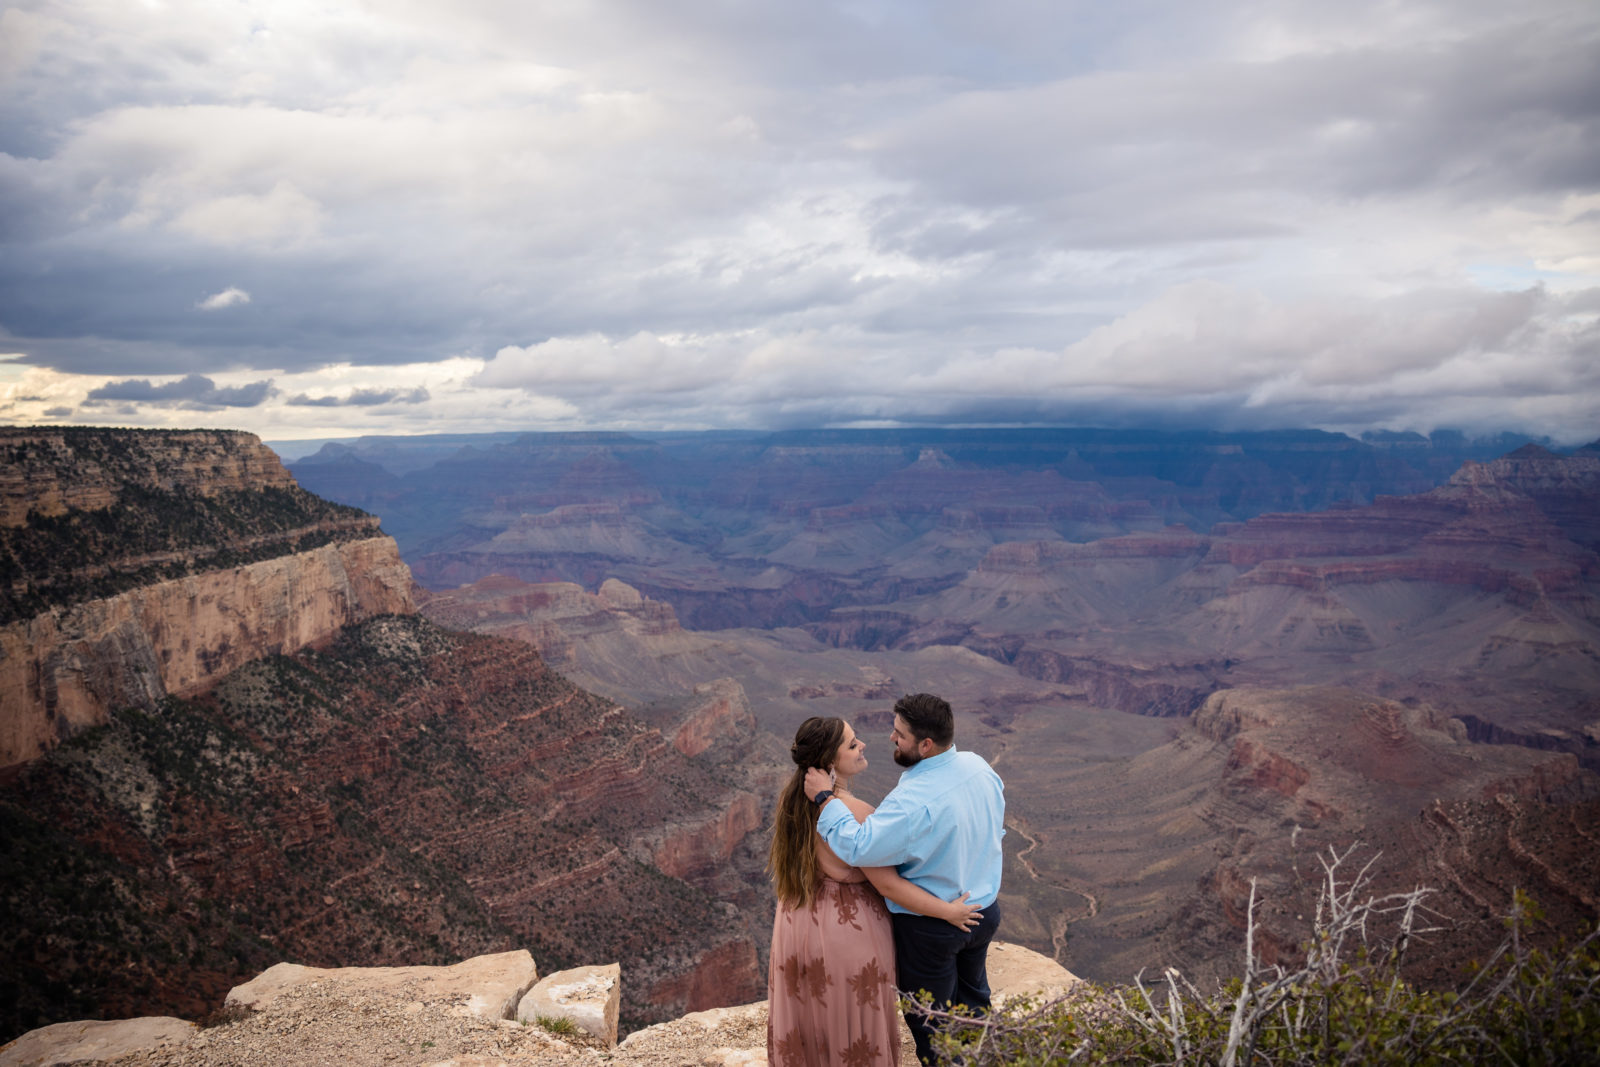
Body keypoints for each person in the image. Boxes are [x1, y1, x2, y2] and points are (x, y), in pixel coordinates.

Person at [768, 715, 983, 1067]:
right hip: (847, 934)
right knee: (852, 1029)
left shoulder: (790, 803)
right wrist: (948, 912)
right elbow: (889, 885)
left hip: (798, 924)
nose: (863, 745)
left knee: (812, 1020)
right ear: (828, 761)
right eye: (852, 744)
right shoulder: (859, 814)